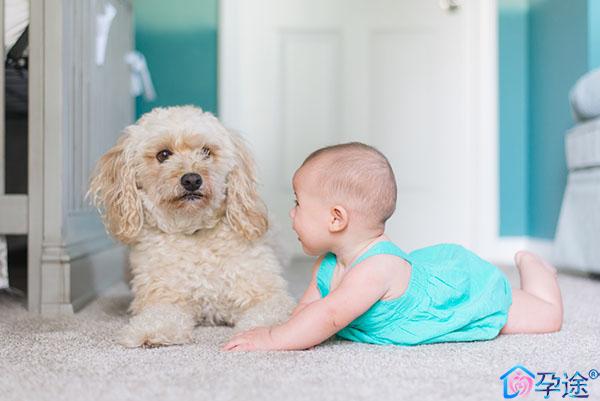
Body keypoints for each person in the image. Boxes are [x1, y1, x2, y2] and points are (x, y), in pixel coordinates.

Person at [222, 142, 563, 351]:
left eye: (299, 204)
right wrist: (291, 332)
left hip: (455, 293)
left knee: (546, 318)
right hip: (420, 272)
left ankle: (536, 270)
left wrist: (272, 339)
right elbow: (308, 312)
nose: (291, 212)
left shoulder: (375, 270)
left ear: (336, 219)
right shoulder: (327, 265)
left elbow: (329, 316)